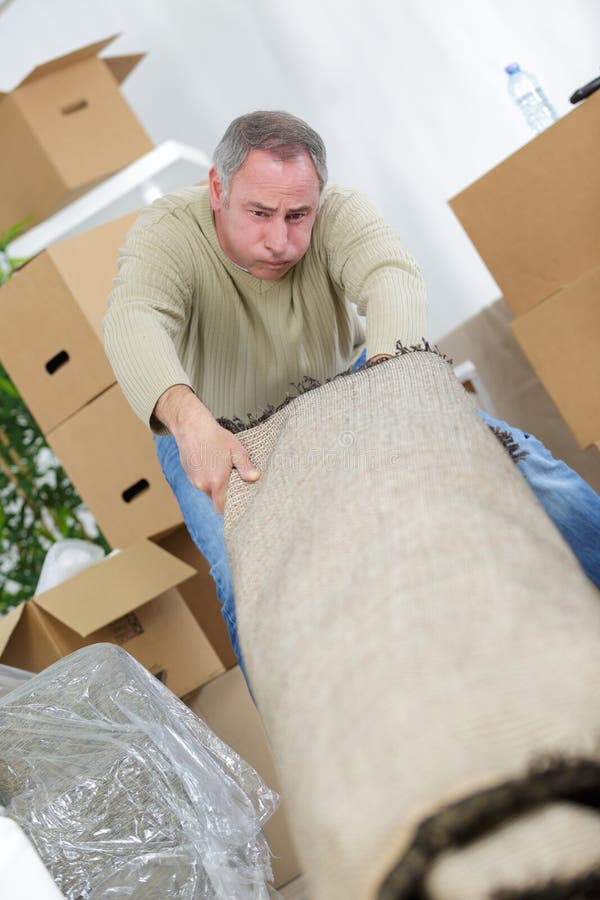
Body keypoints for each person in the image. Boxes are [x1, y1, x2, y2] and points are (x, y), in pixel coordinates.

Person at [103, 110, 599, 672]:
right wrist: (189, 423)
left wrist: (391, 388)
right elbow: (134, 317)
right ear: (218, 189)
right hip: (216, 423)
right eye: (259, 213)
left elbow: (391, 274)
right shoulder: (167, 231)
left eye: (298, 215)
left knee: (524, 467)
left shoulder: (341, 212)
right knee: (248, 586)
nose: (280, 241)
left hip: (354, 380)